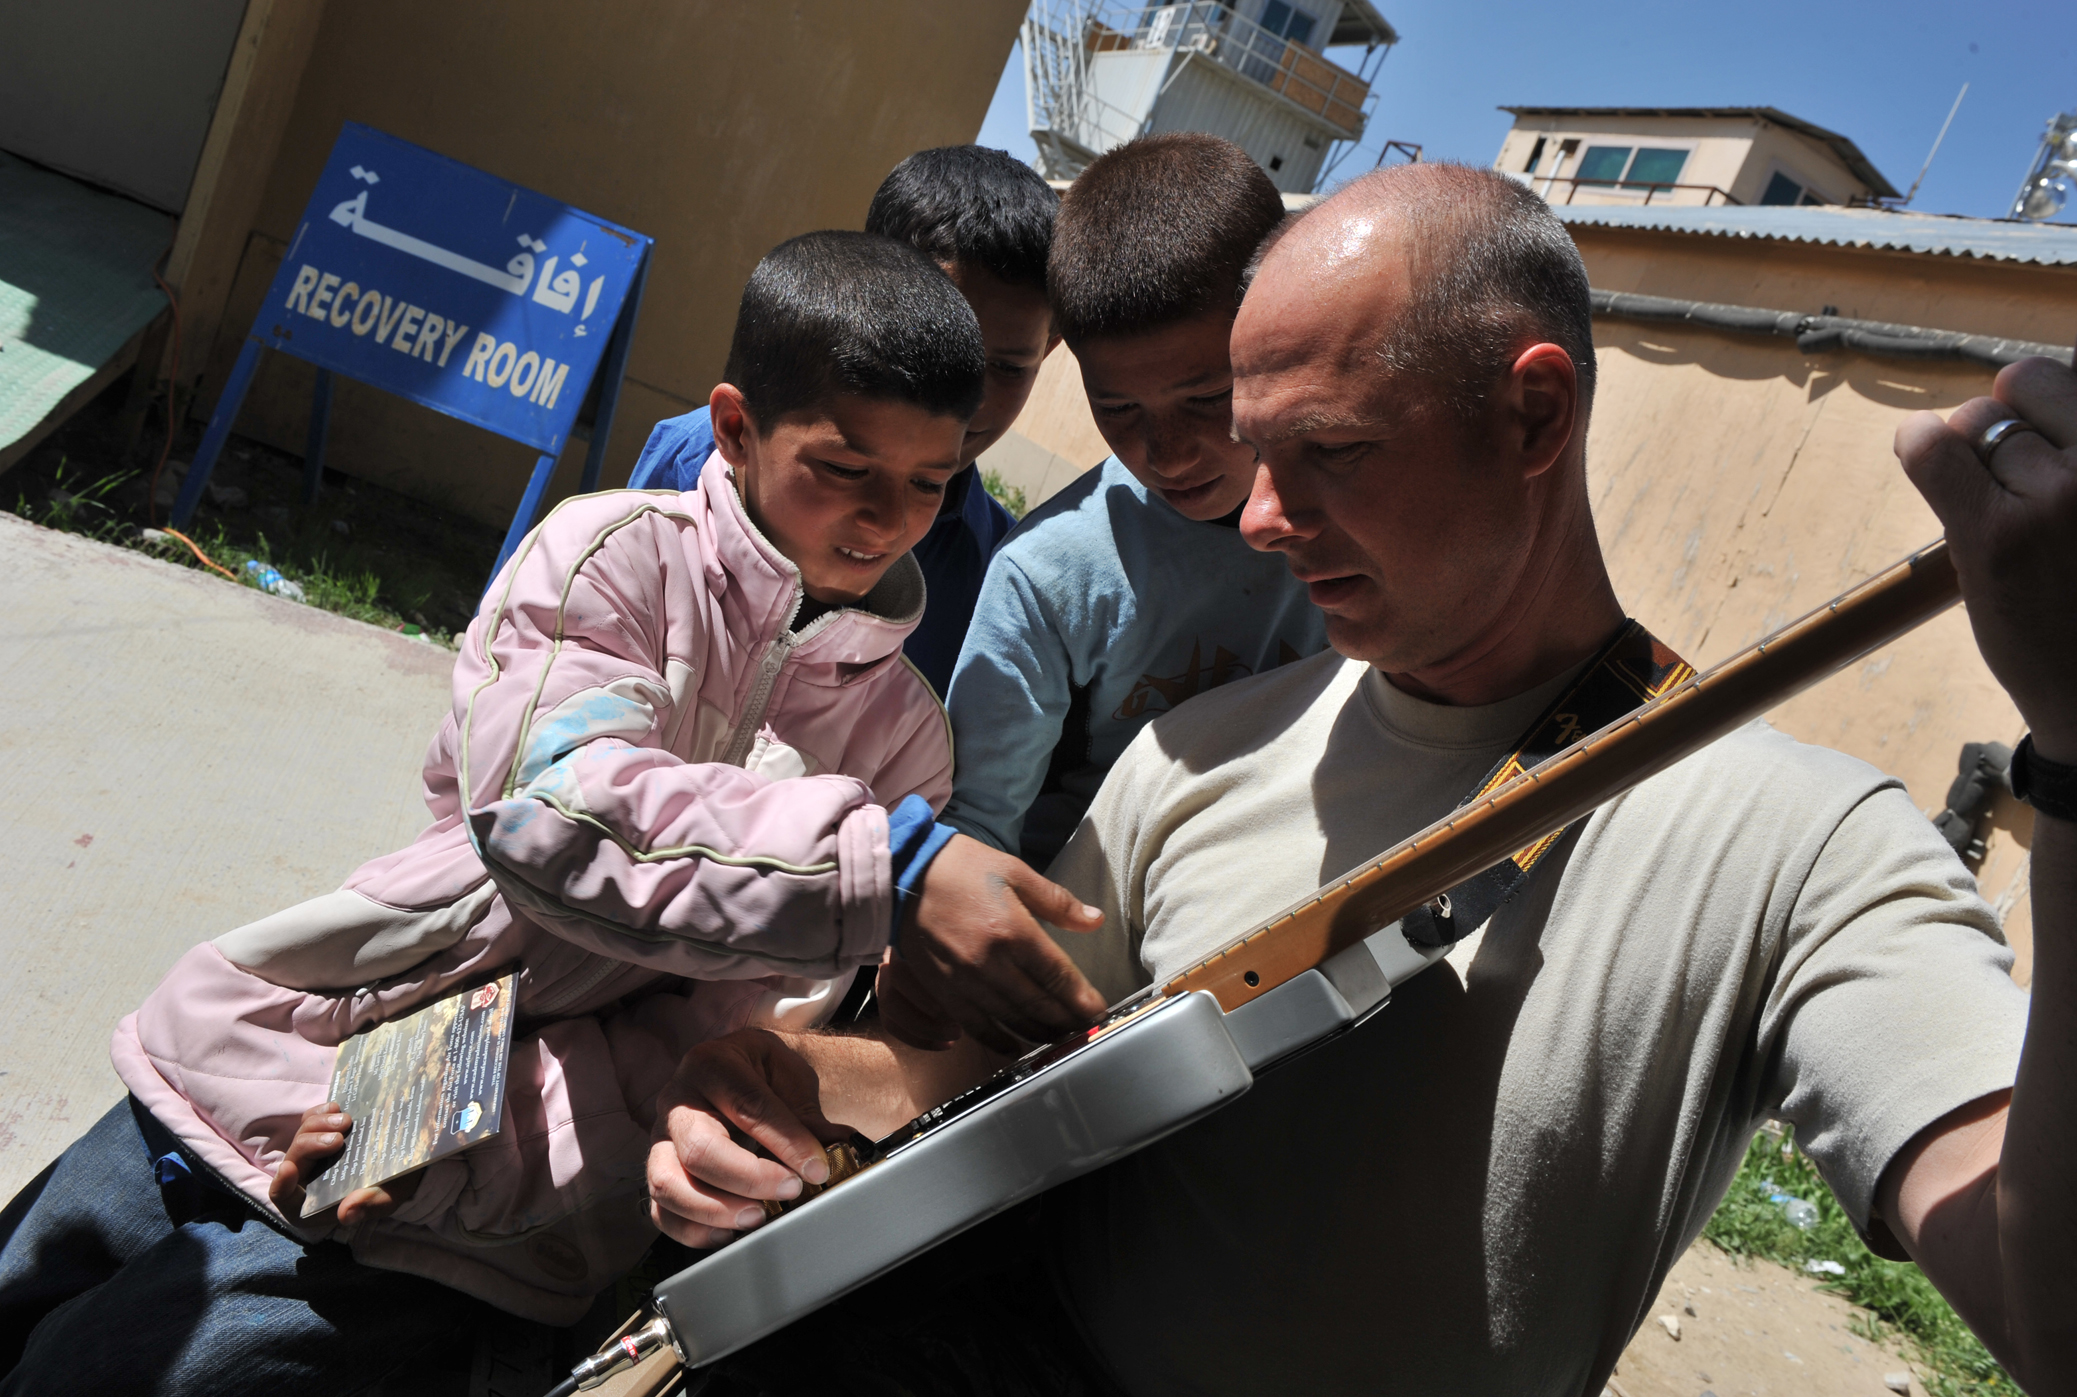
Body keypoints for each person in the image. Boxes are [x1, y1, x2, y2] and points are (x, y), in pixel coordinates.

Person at [647, 165, 2077, 1396]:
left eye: (1326, 451)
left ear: (1535, 418)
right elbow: (966, 1072)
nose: (1262, 519)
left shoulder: (1803, 844)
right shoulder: (1190, 755)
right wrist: (778, 1093)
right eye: (1254, 452)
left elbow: (2059, 1320)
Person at [0, 230, 1103, 1395]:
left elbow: (702, 1042)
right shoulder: (610, 556)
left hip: (472, 1206)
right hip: (275, 1049)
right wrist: (894, 861)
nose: (885, 518)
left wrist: (429, 1149)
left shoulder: (902, 743)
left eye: (928, 482)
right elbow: (546, 815)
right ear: (734, 427)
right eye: (843, 467)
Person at [935, 133, 1329, 875]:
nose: (1169, 452)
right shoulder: (1046, 575)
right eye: (1117, 408)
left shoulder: (1355, 522)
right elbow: (976, 834)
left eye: (1210, 398)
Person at [627, 145, 1062, 697]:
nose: (965, 395)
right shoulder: (695, 456)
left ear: (1048, 350)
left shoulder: (999, 568)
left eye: (1006, 366)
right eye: (931, 346)